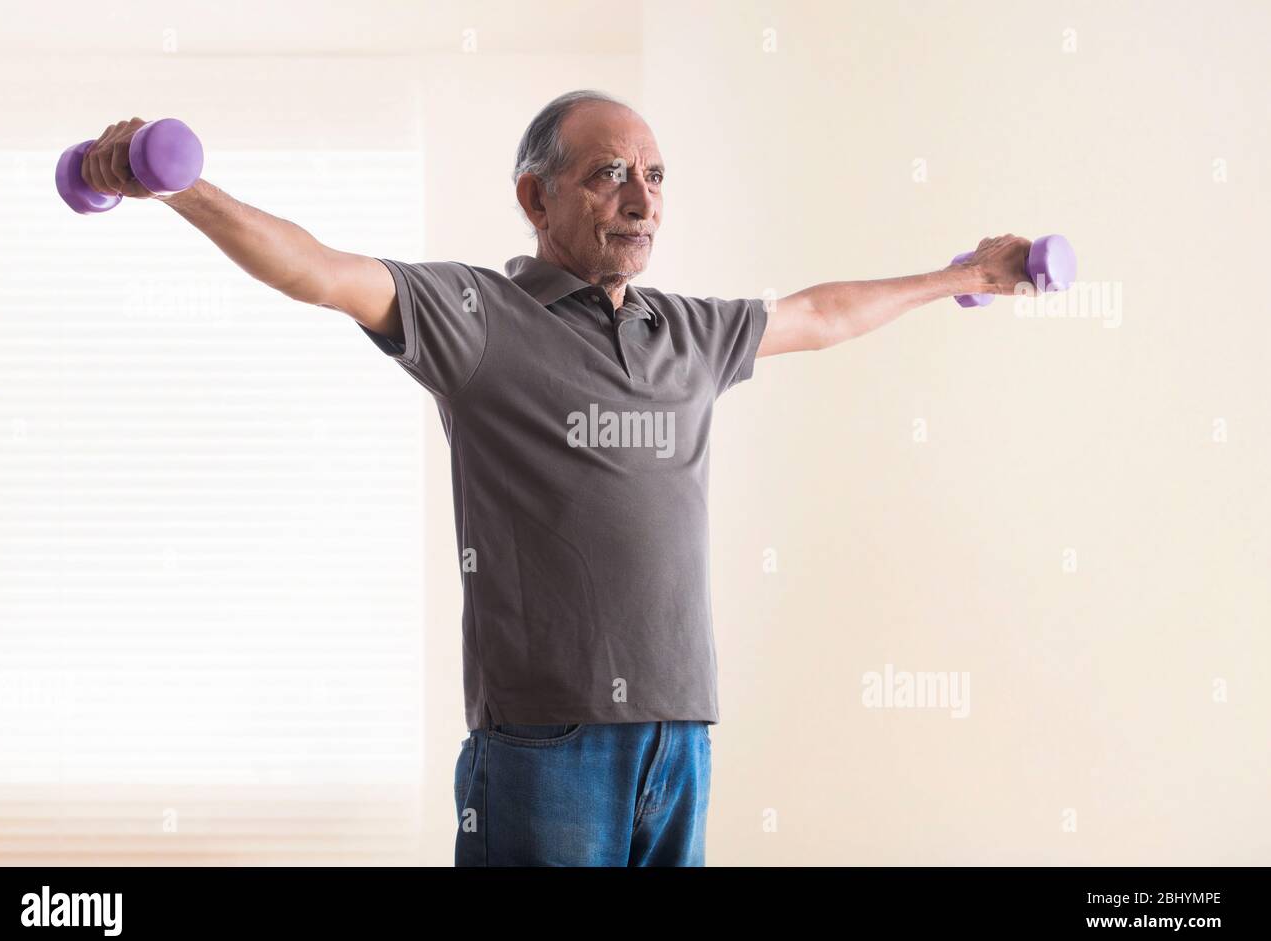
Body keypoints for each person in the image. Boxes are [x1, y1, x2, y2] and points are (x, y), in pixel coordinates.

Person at [78, 90, 1034, 866]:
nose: (641, 199)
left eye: (655, 177)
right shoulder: (475, 316)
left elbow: (819, 314)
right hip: (546, 745)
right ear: (536, 199)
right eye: (609, 174)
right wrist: (180, 188)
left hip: (682, 733)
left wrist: (962, 278)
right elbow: (321, 272)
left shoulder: (688, 334)